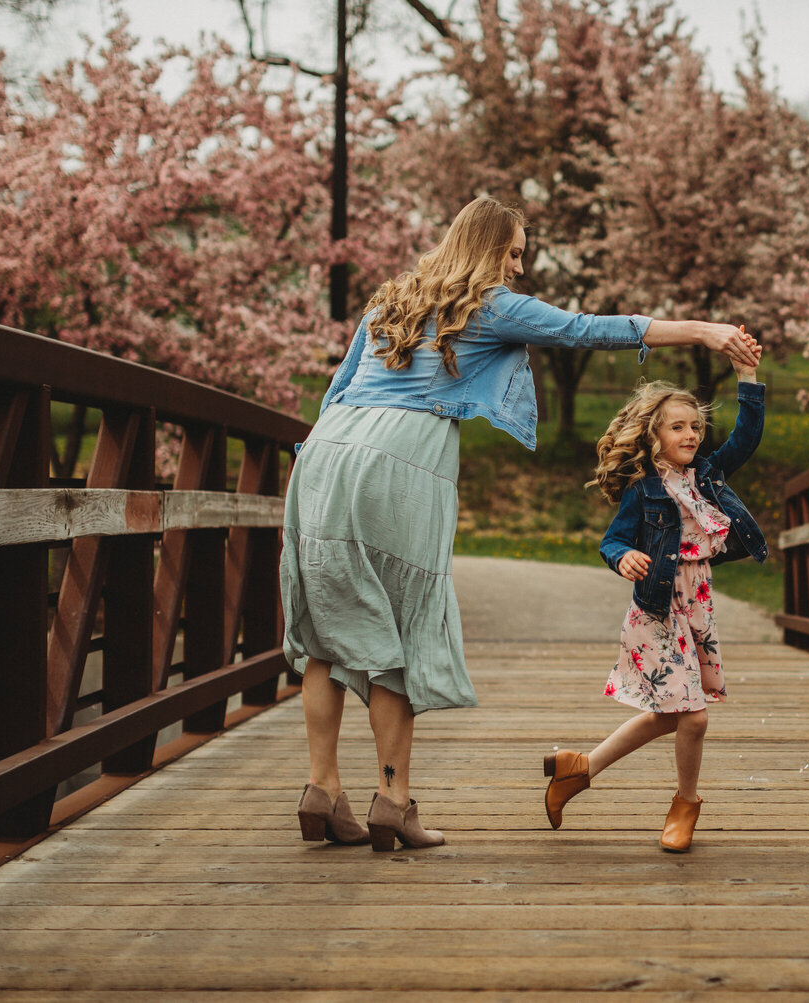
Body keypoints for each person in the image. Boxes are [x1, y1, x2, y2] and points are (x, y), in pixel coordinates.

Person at [281, 195, 760, 852]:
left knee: (325, 631)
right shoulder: (490, 304)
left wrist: (310, 466)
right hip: (397, 457)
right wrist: (703, 331)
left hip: (325, 453)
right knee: (395, 628)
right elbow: (591, 329)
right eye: (513, 253)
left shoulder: (388, 299)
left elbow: (338, 388)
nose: (518, 268)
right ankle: (392, 800)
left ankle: (321, 787)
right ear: (486, 249)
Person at [543, 357, 767, 853]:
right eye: (677, 427)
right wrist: (623, 558)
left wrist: (747, 377)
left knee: (672, 714)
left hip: (698, 606)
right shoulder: (644, 491)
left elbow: (746, 438)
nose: (690, 434)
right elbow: (612, 541)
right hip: (658, 611)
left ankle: (579, 769)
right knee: (695, 716)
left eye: (695, 426)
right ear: (653, 436)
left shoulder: (707, 475)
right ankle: (686, 803)